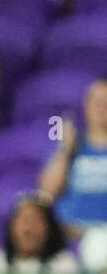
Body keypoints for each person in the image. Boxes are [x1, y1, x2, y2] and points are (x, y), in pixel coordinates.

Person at [39, 78, 107, 233]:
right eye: (97, 101)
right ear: (86, 107)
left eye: (106, 101)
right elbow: (47, 192)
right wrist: (65, 149)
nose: (102, 107)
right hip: (71, 231)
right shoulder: (70, 147)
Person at [0, 195, 80, 274]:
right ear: (12, 226)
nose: (29, 229)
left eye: (36, 221)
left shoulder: (64, 265)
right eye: (25, 221)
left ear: (49, 228)